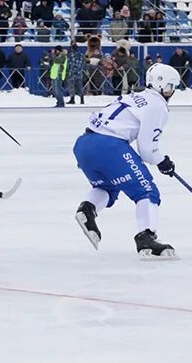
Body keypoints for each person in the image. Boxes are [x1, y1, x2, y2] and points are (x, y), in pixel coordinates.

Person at [71, 62, 180, 259]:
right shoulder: (157, 104)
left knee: (108, 186)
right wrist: (162, 161)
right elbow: (147, 149)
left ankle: (88, 209)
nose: (171, 92)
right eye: (171, 87)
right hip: (109, 146)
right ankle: (146, 236)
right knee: (146, 190)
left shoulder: (135, 96)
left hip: (84, 144)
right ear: (161, 85)